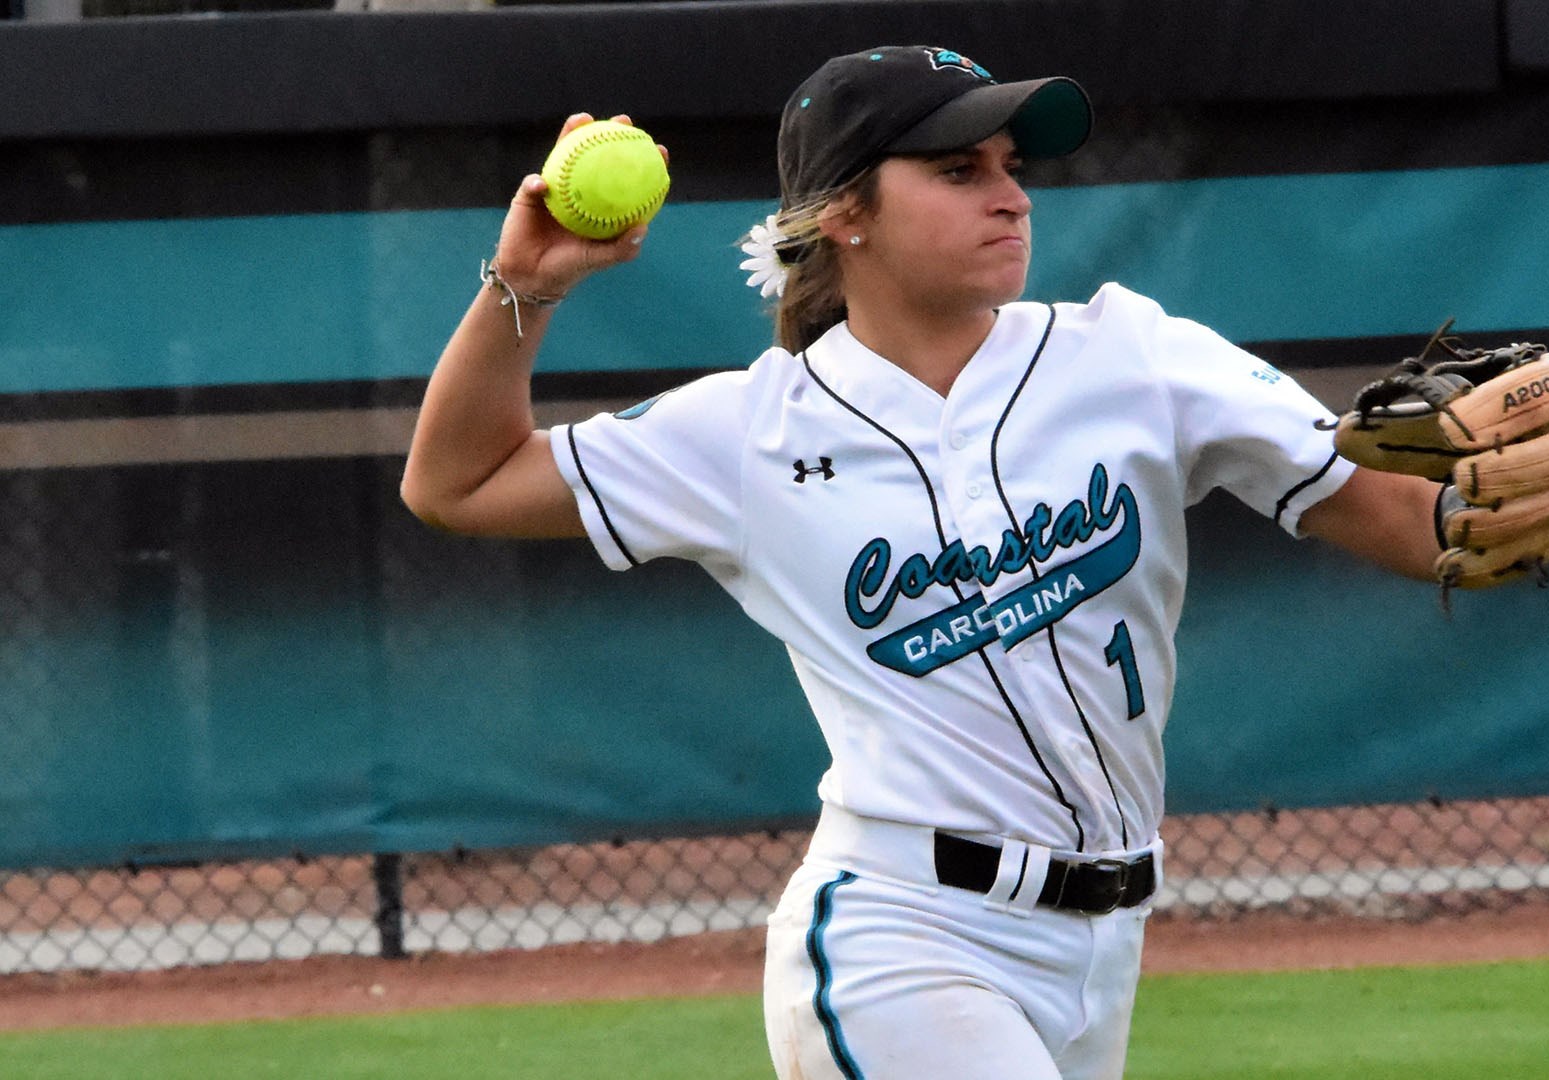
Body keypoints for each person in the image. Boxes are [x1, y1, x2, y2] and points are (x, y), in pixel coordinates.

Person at [403, 45, 1442, 1080]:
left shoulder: (1136, 357)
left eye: (1010, 168)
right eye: (958, 170)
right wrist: (522, 287)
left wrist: (1506, 499)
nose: (1010, 197)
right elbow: (458, 483)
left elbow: (1418, 523)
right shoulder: (749, 434)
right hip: (900, 939)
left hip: (1106, 942)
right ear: (844, 215)